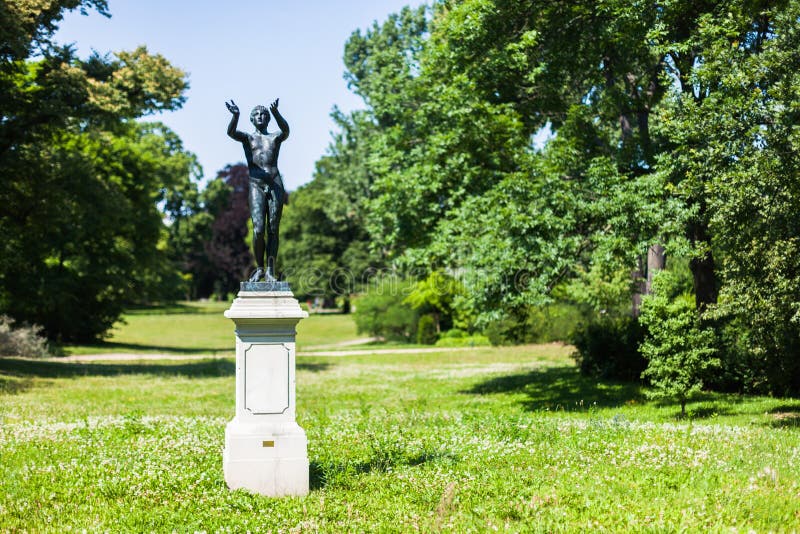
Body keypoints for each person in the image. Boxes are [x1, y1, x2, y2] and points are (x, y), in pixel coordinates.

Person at [225, 98, 289, 282]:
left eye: (263, 114)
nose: (260, 116)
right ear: (252, 119)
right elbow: (231, 132)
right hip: (256, 184)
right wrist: (235, 116)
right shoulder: (248, 138)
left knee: (273, 229)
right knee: (258, 229)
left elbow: (286, 131)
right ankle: (259, 268)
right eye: (256, 115)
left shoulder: (275, 137)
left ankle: (270, 270)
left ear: (268, 119)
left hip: (275, 183)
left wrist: (276, 112)